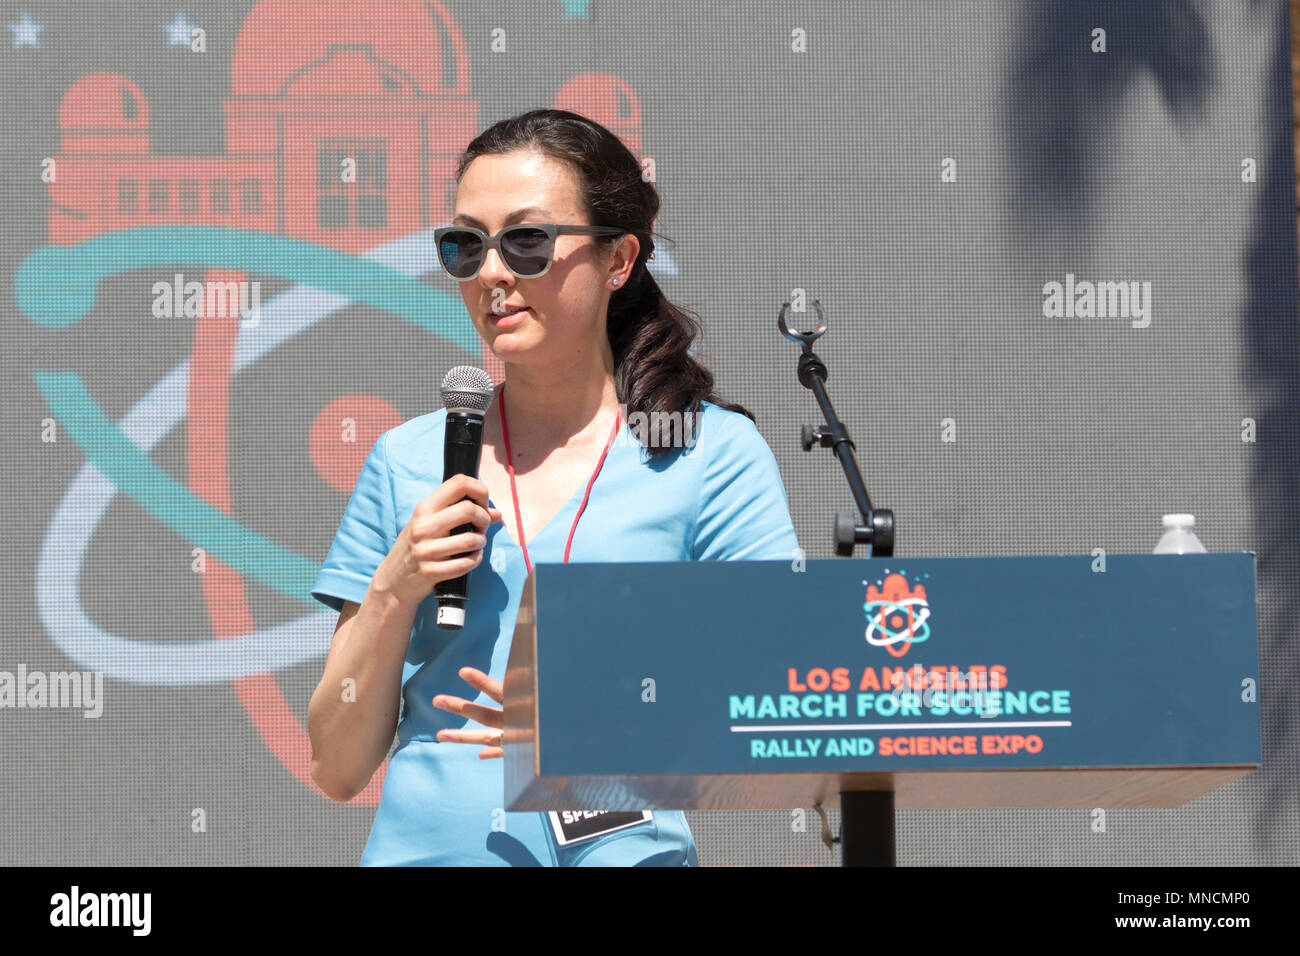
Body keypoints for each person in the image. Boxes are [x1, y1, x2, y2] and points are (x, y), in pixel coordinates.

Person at [307, 108, 800, 866]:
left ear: (618, 259)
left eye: (527, 241)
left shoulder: (707, 454)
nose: (494, 273)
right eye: (466, 245)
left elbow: (778, 701)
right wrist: (394, 587)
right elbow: (336, 767)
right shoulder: (408, 459)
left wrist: (596, 719)